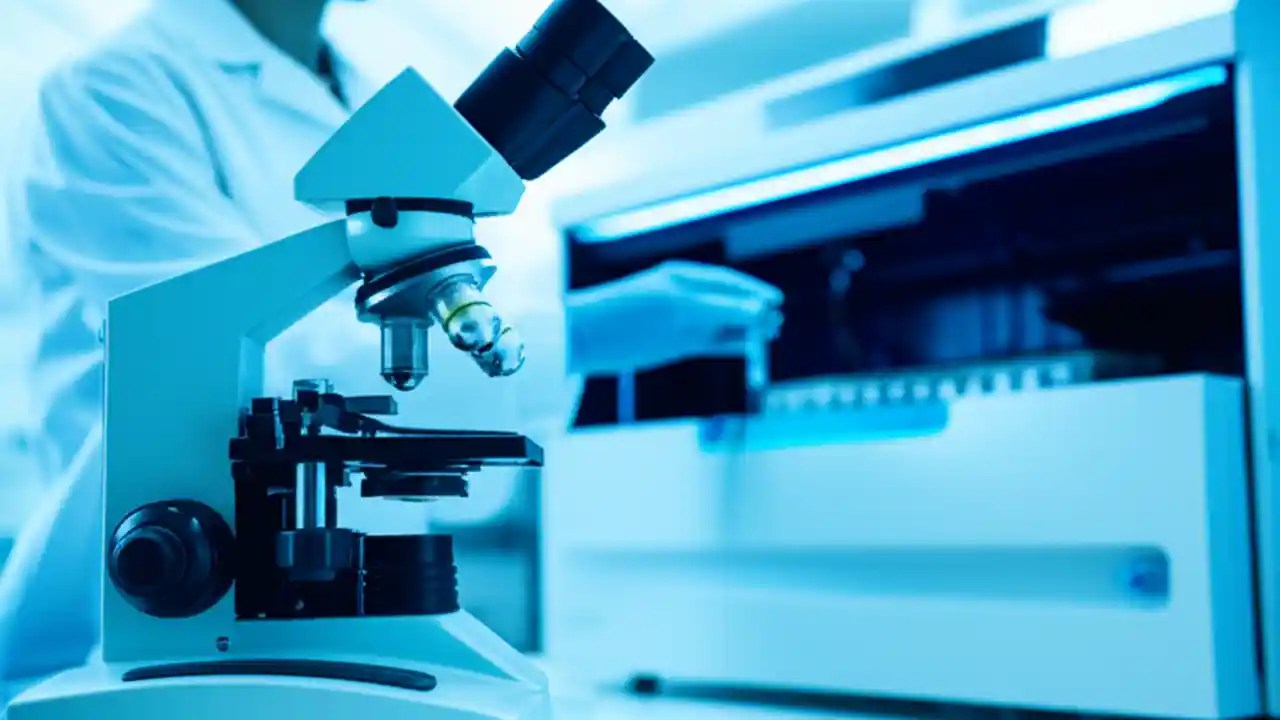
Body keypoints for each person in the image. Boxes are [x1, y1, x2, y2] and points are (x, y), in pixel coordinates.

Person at [0, 0, 783, 689]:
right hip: (155, 616)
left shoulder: (367, 89)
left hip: (333, 609)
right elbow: (241, 368)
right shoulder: (114, 92)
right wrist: (584, 333)